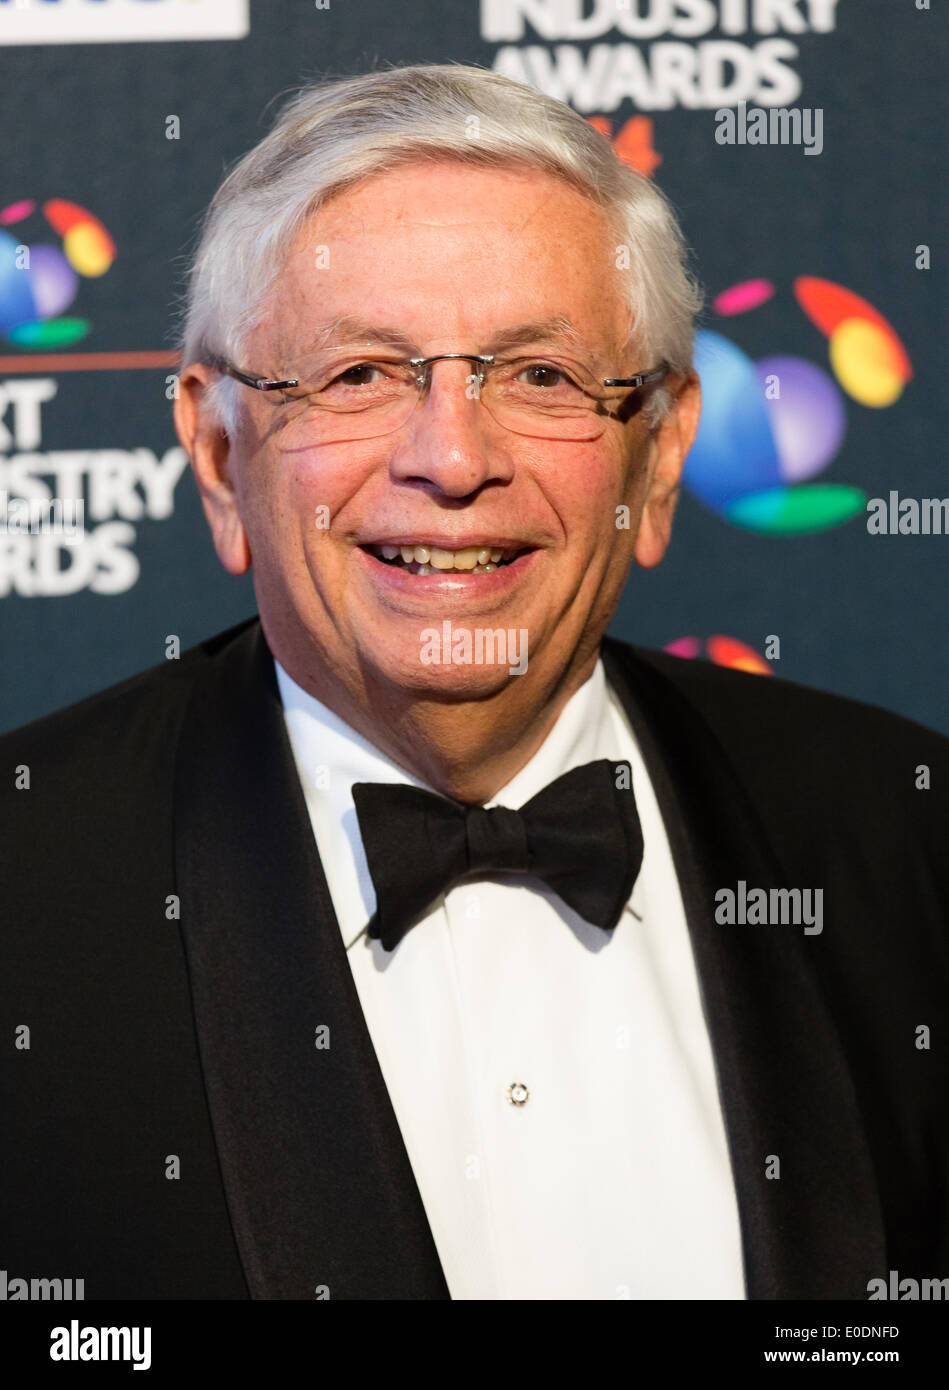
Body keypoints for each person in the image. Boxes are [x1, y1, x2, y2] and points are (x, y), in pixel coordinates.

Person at [1, 64, 946, 1302]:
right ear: (221, 455)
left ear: (658, 457)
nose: (451, 457)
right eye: (359, 374)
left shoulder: (907, 834)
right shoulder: (30, 884)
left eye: (539, 374)